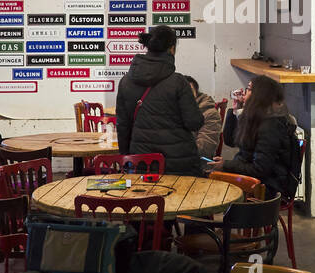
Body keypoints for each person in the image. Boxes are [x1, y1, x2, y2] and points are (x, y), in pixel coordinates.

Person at [116, 25, 204, 175]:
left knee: (145, 198)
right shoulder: (178, 82)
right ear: (172, 49)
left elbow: (123, 126)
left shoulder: (125, 81)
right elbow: (194, 122)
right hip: (179, 164)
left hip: (141, 162)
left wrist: (127, 158)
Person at [222, 75, 300, 202]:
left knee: (211, 185)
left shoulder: (270, 126)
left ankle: (223, 220)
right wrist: (236, 110)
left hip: (269, 186)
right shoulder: (257, 118)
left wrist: (226, 165)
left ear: (259, 96)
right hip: (254, 179)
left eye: (248, 89)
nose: (243, 93)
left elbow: (260, 169)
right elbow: (230, 140)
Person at [180, 75, 222, 161]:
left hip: (198, 166)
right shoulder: (170, 110)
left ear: (196, 93)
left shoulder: (210, 114)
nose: (185, 96)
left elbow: (205, 150)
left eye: (189, 91)